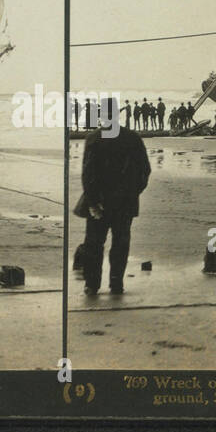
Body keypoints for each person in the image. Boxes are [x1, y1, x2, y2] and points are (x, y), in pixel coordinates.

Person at [75, 98, 151, 295]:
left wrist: (93, 202)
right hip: (125, 204)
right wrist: (132, 194)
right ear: (118, 114)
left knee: (94, 244)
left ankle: (92, 285)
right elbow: (145, 171)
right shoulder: (132, 138)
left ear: (101, 115)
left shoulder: (93, 138)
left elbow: (88, 174)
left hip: (98, 204)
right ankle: (116, 283)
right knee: (120, 244)